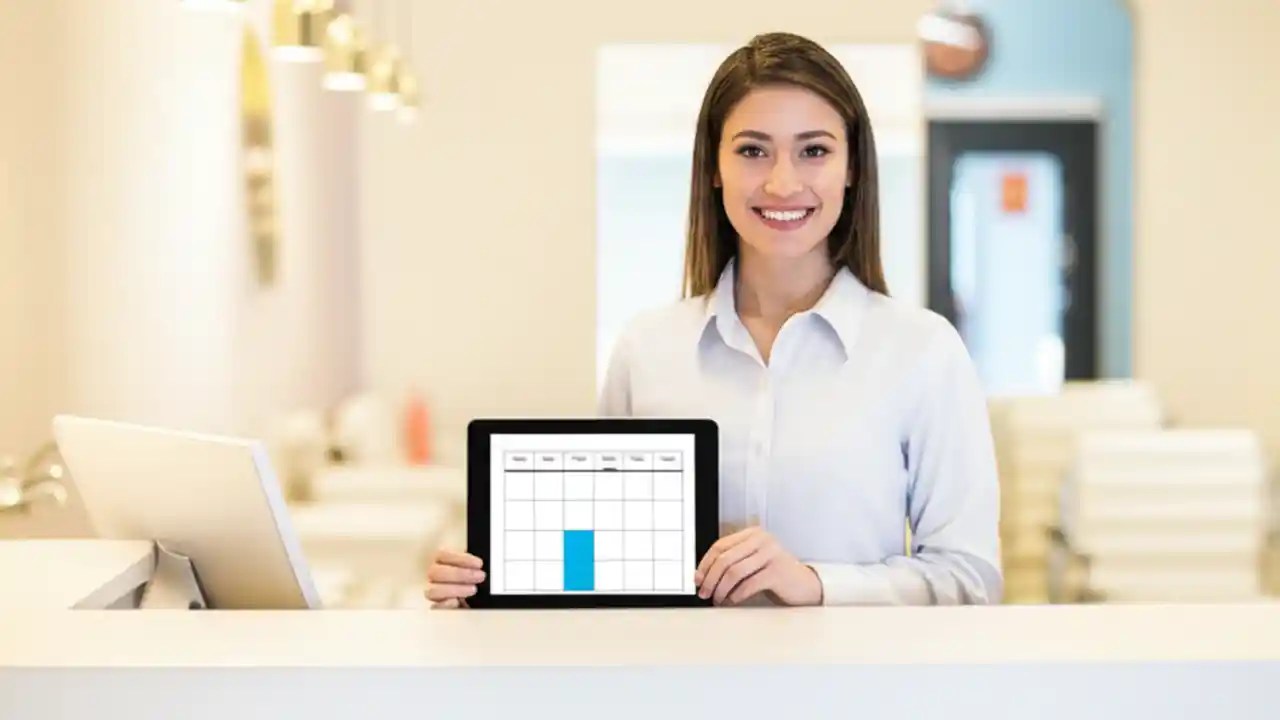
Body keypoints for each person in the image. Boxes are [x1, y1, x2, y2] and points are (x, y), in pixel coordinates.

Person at [425, 31, 1001, 608]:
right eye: (752, 151)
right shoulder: (646, 350)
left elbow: (970, 580)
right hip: (673, 668)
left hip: (851, 670)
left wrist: (815, 583)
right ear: (714, 168)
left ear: (852, 167)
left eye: (814, 151)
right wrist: (489, 589)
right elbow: (606, 571)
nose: (782, 182)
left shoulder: (922, 351)